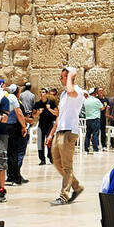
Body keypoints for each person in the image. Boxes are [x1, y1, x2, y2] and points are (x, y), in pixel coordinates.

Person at [47, 67, 86, 206]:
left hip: (70, 132)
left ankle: (64, 195)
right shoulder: (63, 94)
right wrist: (51, 134)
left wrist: (70, 75)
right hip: (60, 131)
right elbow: (60, 116)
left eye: (62, 77)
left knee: (67, 165)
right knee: (56, 162)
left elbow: (71, 91)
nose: (60, 79)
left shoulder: (78, 91)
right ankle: (76, 186)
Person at [5, 84, 29, 185]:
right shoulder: (14, 99)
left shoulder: (6, 97)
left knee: (9, 153)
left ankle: (10, 175)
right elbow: (19, 113)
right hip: (13, 128)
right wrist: (24, 126)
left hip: (5, 128)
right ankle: (16, 177)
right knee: (14, 153)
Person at [36, 87, 57, 165]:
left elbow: (57, 113)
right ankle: (42, 159)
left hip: (49, 125)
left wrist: (49, 109)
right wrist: (38, 113)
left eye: (44, 92)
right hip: (41, 124)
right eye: (41, 92)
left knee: (50, 141)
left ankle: (51, 157)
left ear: (47, 94)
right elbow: (33, 115)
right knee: (40, 142)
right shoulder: (38, 103)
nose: (42, 93)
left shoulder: (51, 103)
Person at [83, 87, 105, 153]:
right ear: (94, 93)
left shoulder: (86, 100)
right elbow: (102, 108)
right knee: (95, 134)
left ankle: (86, 149)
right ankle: (95, 149)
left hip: (88, 119)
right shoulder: (96, 100)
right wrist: (105, 106)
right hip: (95, 119)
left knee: (88, 134)